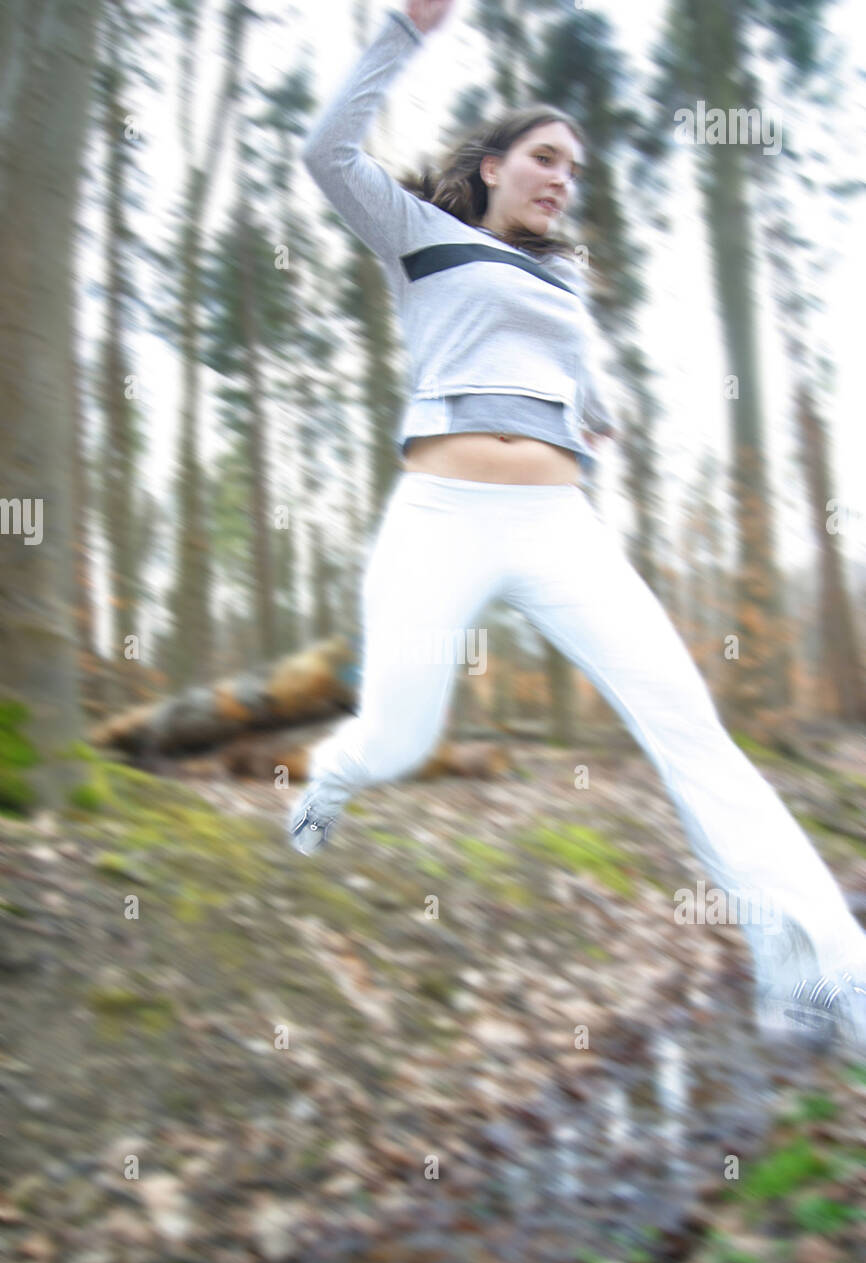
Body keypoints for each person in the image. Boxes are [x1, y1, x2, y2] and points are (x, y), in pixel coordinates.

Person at [288, 0, 866, 1056]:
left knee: (689, 730)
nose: (561, 178)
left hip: (559, 522)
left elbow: (573, 363)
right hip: (440, 516)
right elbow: (324, 152)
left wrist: (600, 409)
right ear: (494, 163)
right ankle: (336, 771)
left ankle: (823, 970)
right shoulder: (420, 236)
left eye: (573, 170)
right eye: (545, 158)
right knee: (401, 733)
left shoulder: (562, 271)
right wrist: (403, 38)